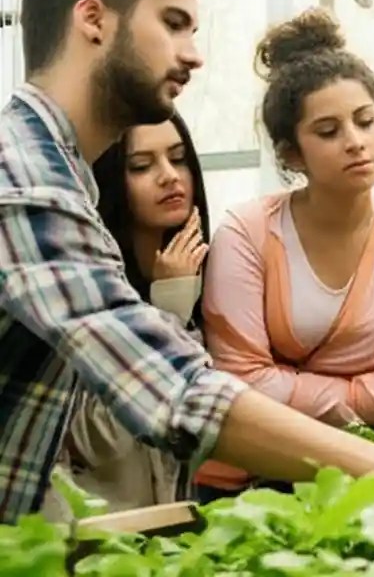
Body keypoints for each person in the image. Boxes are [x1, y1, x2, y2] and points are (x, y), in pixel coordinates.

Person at [0, 0, 374, 525]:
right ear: (94, 20)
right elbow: (181, 393)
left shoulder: (62, 174)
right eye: (172, 23)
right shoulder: (23, 177)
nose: (193, 54)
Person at [194, 9, 374, 502]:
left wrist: (288, 384)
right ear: (291, 154)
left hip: (366, 479)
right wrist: (358, 394)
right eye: (328, 132)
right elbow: (239, 379)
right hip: (249, 481)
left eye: (365, 120)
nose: (355, 142)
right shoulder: (246, 231)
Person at [41, 114, 211, 517]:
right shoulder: (85, 280)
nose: (169, 176)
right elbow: (97, 438)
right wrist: (169, 310)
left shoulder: (214, 267)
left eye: (178, 158)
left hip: (183, 514)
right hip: (104, 522)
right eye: (142, 166)